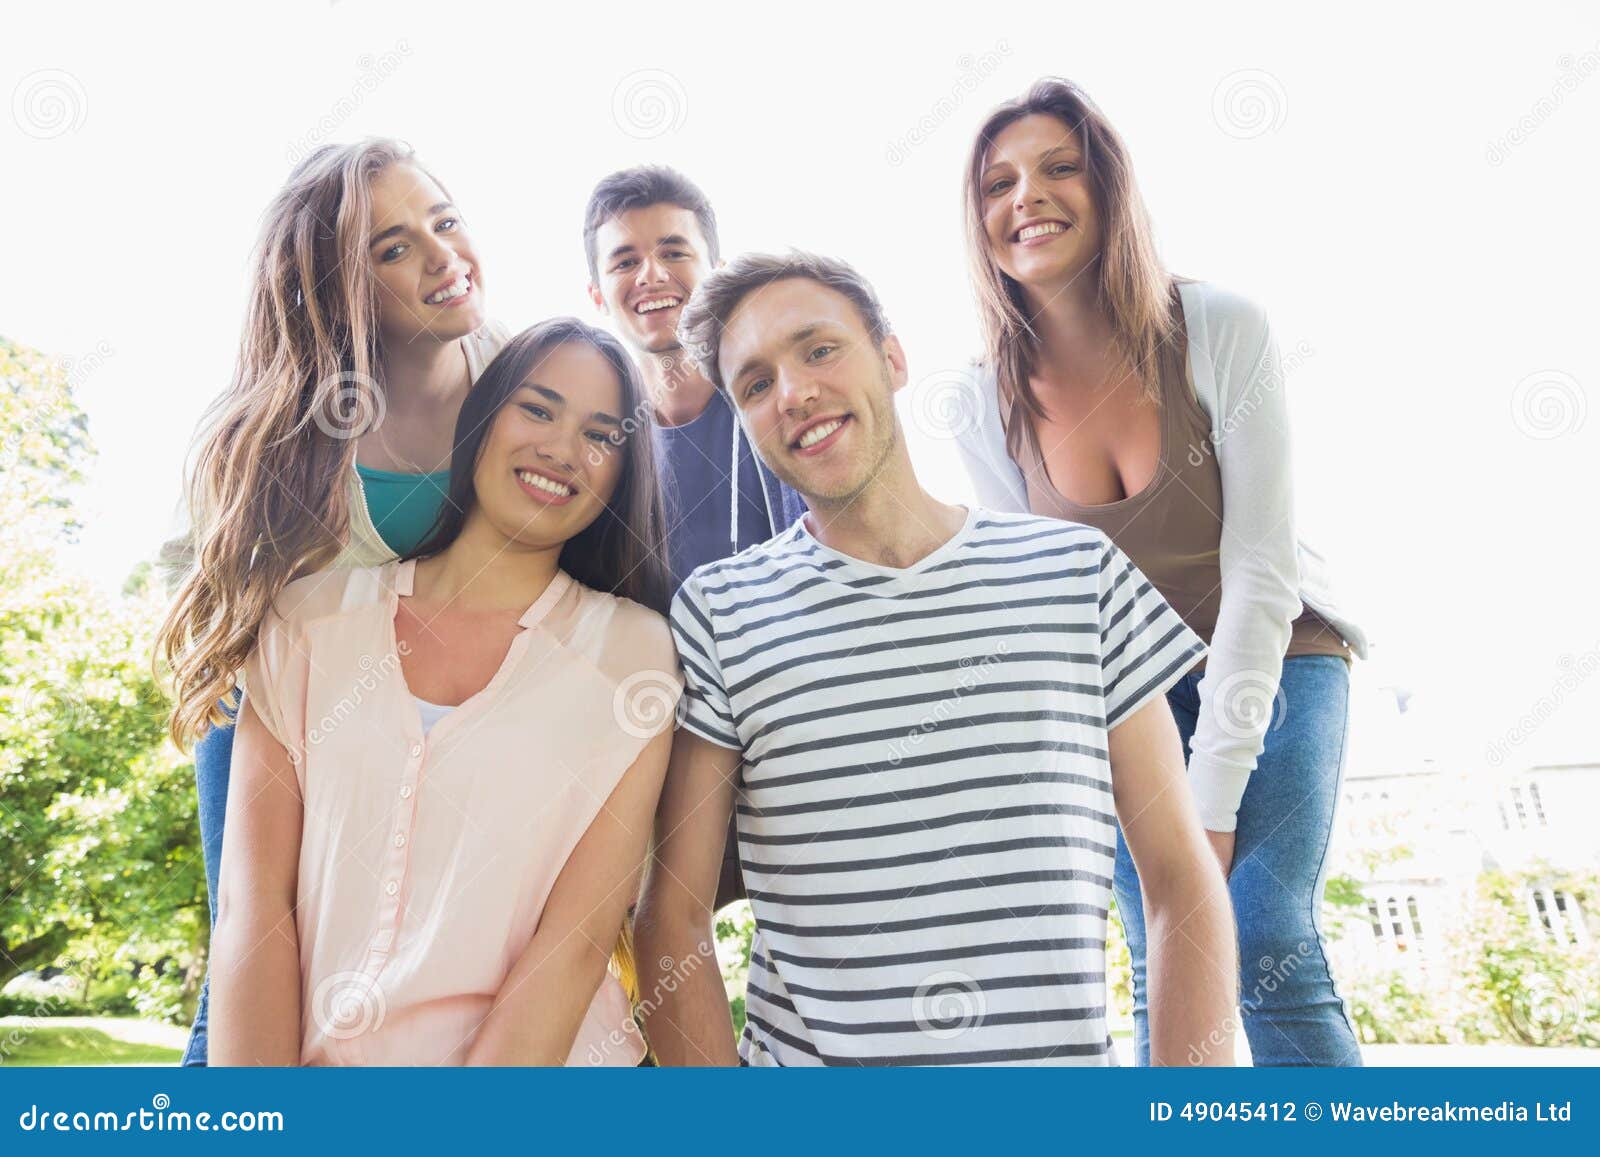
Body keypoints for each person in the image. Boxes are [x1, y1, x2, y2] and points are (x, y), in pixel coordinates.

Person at [635, 251, 1237, 1066]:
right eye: (755, 384)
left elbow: (1180, 881)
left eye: (820, 349)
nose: (794, 393)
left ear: (892, 357)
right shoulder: (719, 611)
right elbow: (672, 918)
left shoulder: (1078, 571)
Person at [954, 77, 1368, 1066]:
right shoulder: (980, 400)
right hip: (1129, 697)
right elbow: (1048, 614)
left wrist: (1209, 807)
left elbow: (1261, 570)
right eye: (998, 182)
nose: (1027, 195)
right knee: (1163, 949)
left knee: (1261, 930)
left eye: (1059, 168)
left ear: (1107, 187)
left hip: (1277, 654)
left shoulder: (1219, 325)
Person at [207, 318, 679, 1066]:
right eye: (538, 409)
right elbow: (252, 905)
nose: (562, 449)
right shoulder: (308, 621)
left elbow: (577, 940)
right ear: (482, 418)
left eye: (601, 435)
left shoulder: (634, 656)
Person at [156, 139, 508, 1065]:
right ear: (335, 287)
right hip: (280, 708)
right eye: (394, 248)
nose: (443, 256)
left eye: (445, 220)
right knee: (252, 952)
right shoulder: (274, 434)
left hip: (451, 720)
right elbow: (219, 606)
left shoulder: (528, 386)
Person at [584, 166, 806, 908]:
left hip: (789, 745)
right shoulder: (594, 448)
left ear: (714, 270)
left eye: (674, 251)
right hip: (655, 765)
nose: (652, 275)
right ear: (598, 295)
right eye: (625, 260)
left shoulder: (779, 411)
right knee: (654, 934)